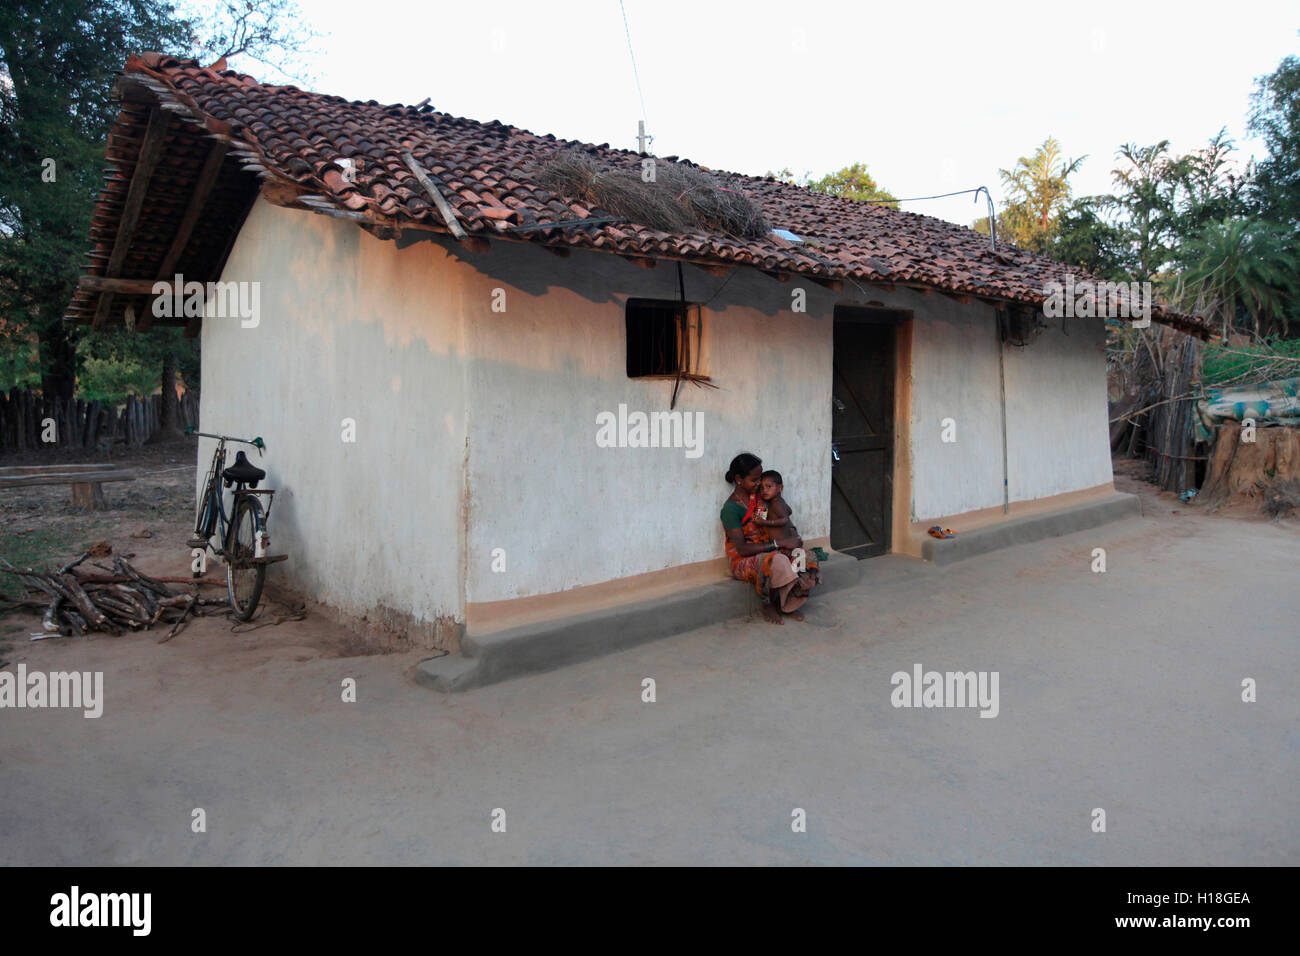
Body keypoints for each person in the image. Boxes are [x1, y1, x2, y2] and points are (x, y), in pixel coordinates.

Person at [720, 452, 816, 624]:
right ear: (739, 479)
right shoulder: (730, 509)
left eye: (761, 479)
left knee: (804, 556)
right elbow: (742, 549)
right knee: (776, 560)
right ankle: (768, 604)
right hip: (744, 559)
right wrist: (779, 544)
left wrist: (792, 537)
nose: (759, 484)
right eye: (755, 480)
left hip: (771, 548)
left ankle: (789, 603)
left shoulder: (758, 499)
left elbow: (767, 523)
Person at [751, 469, 821, 591]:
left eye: (768, 486)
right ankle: (807, 577)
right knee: (799, 560)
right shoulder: (777, 502)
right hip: (788, 542)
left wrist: (765, 522)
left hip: (783, 545)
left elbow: (784, 519)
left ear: (780, 488)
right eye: (761, 488)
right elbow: (789, 511)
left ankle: (800, 581)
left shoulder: (776, 503)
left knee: (790, 562)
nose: (764, 490)